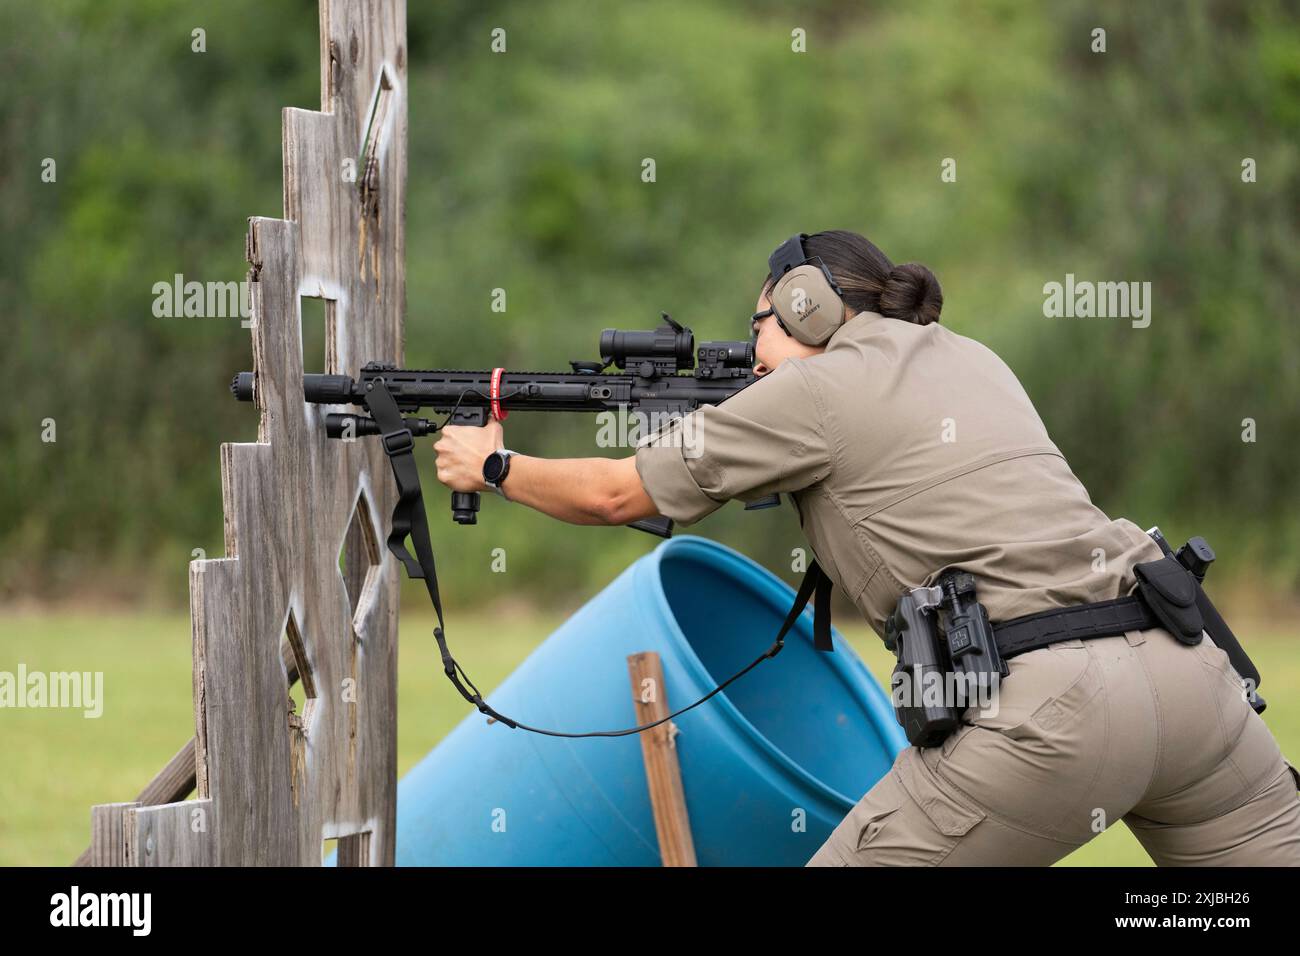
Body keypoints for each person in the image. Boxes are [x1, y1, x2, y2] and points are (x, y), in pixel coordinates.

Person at [431, 229, 1300, 865]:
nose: (751, 350)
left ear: (807, 306)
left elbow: (618, 493)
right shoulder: (970, 356)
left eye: (761, 325)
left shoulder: (813, 390)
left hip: (1050, 709)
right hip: (1191, 678)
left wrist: (495, 464)